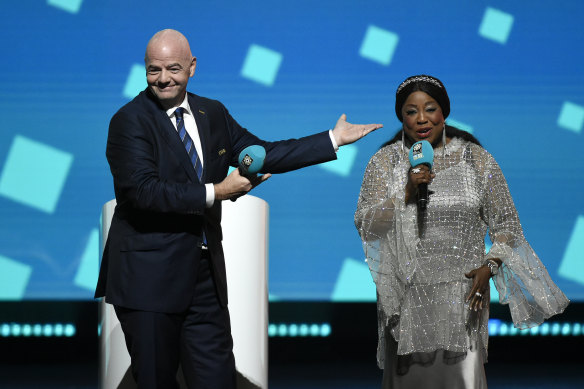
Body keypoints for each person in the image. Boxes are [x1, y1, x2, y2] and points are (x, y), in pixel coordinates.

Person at [95, 29, 382, 389]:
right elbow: (141, 191)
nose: (164, 78)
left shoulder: (211, 113)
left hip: (203, 277)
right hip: (148, 278)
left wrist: (332, 139)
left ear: (192, 67)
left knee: (217, 380)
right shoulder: (129, 120)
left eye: (173, 68)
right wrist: (218, 191)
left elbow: (261, 152)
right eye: (154, 70)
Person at [354, 75, 569, 388]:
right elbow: (366, 224)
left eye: (430, 108)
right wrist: (406, 193)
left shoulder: (476, 159)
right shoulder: (384, 163)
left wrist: (490, 265)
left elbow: (506, 224)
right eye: (411, 111)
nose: (422, 118)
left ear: (445, 111)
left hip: (463, 296)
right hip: (408, 300)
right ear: (401, 117)